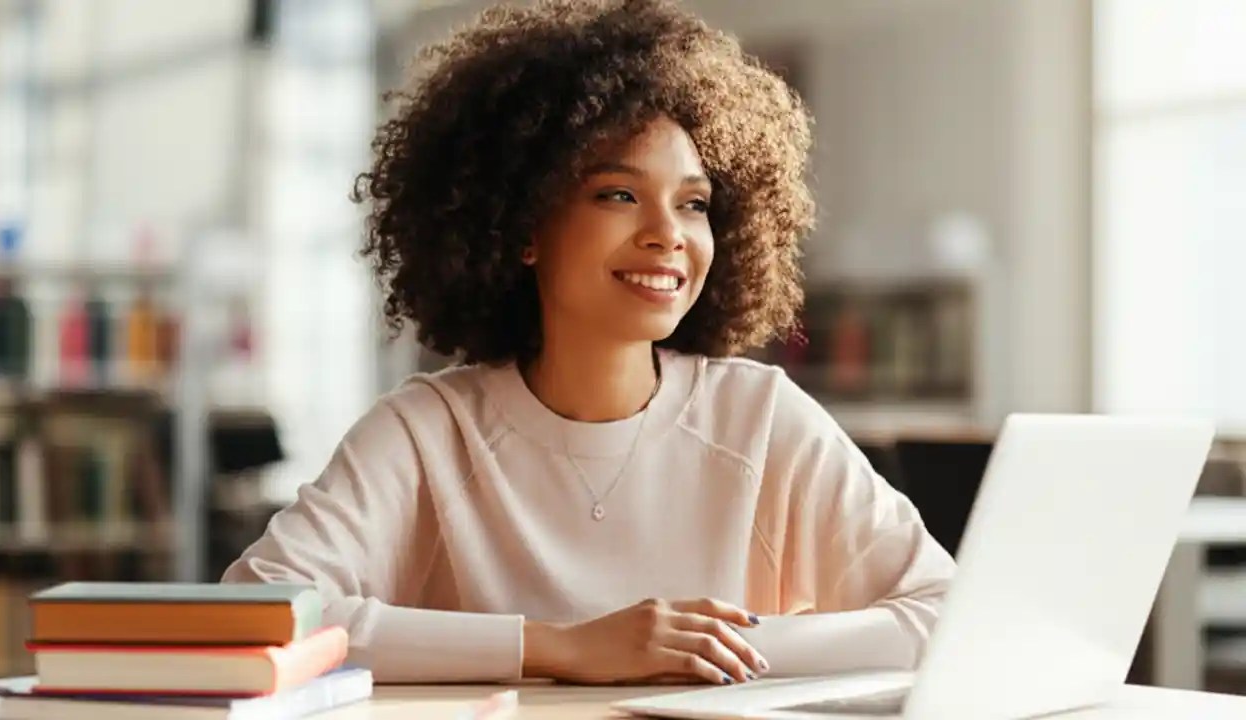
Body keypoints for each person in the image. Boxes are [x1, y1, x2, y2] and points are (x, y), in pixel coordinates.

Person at [223, 0, 954, 686]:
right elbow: (262, 611)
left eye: (693, 203)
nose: (668, 232)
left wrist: (705, 648)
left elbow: (943, 613)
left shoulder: (760, 418)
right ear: (523, 226)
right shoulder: (426, 433)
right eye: (619, 195)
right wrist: (559, 646)